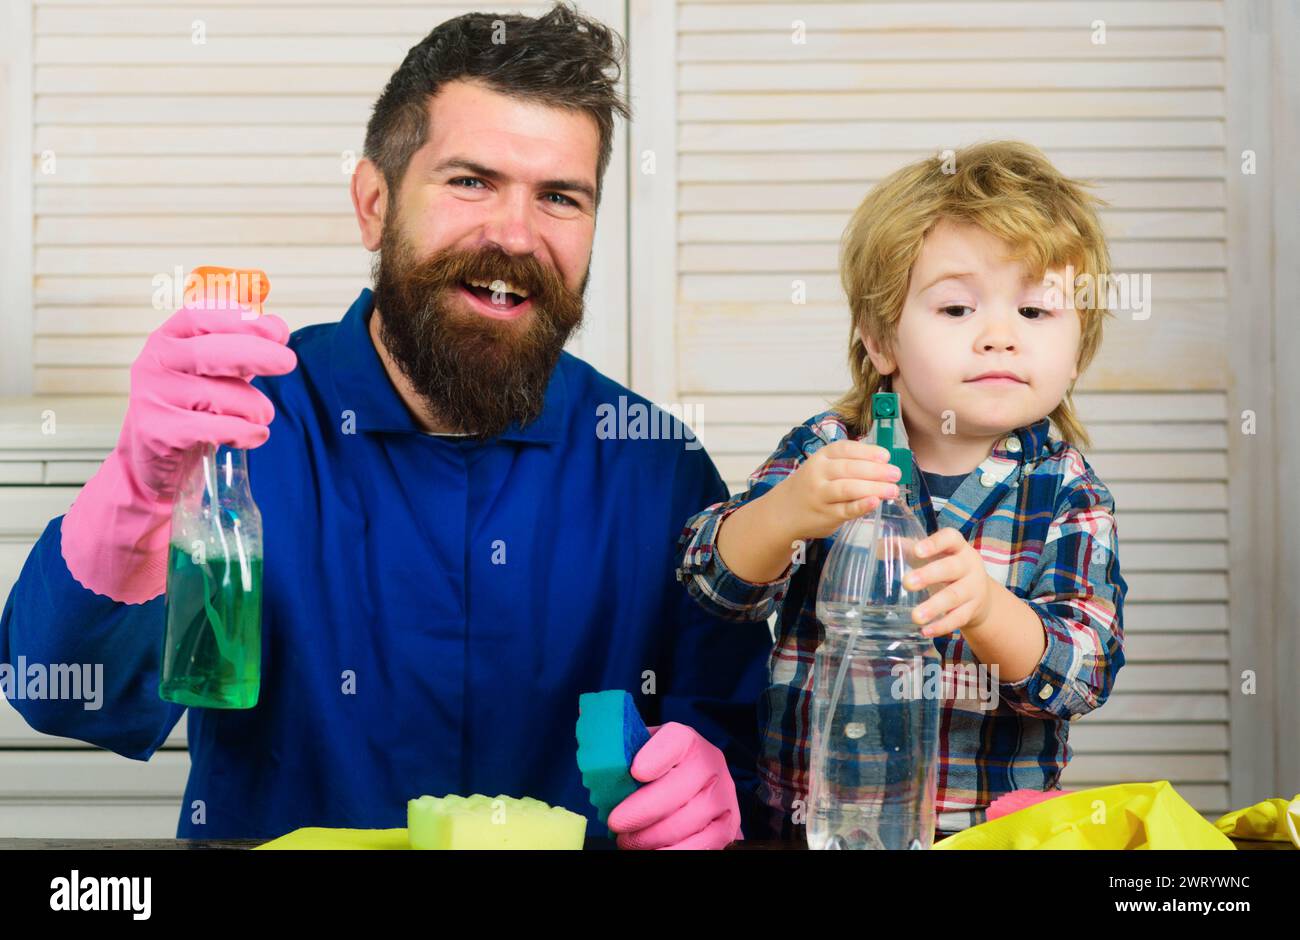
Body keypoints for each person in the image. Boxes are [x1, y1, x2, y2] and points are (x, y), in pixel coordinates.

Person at [0, 3, 770, 849]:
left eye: (559, 197)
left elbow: (736, 737)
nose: (515, 234)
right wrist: (139, 488)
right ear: (374, 203)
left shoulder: (655, 465)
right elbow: (62, 694)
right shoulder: (242, 430)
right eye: (470, 181)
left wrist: (718, 787)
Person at [676, 141, 1129, 841]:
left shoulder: (1068, 492)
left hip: (985, 834)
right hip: (813, 825)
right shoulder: (827, 450)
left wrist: (987, 609)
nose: (1000, 338)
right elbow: (712, 587)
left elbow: (1081, 674)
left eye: (1036, 313)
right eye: (956, 309)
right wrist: (786, 513)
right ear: (881, 340)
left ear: (1076, 352)